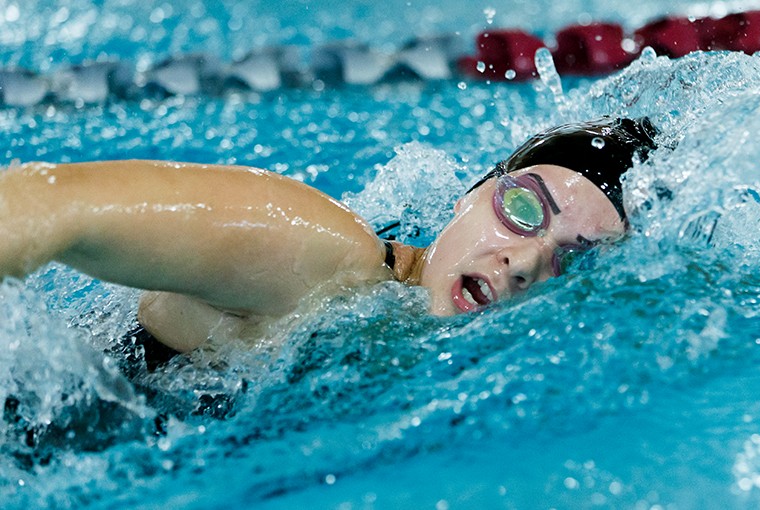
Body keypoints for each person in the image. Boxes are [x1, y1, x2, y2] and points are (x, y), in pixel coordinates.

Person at [0, 116, 658, 359]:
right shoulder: (321, 255)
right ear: (470, 194)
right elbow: (51, 203)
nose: (525, 261)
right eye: (522, 208)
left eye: (574, 262)